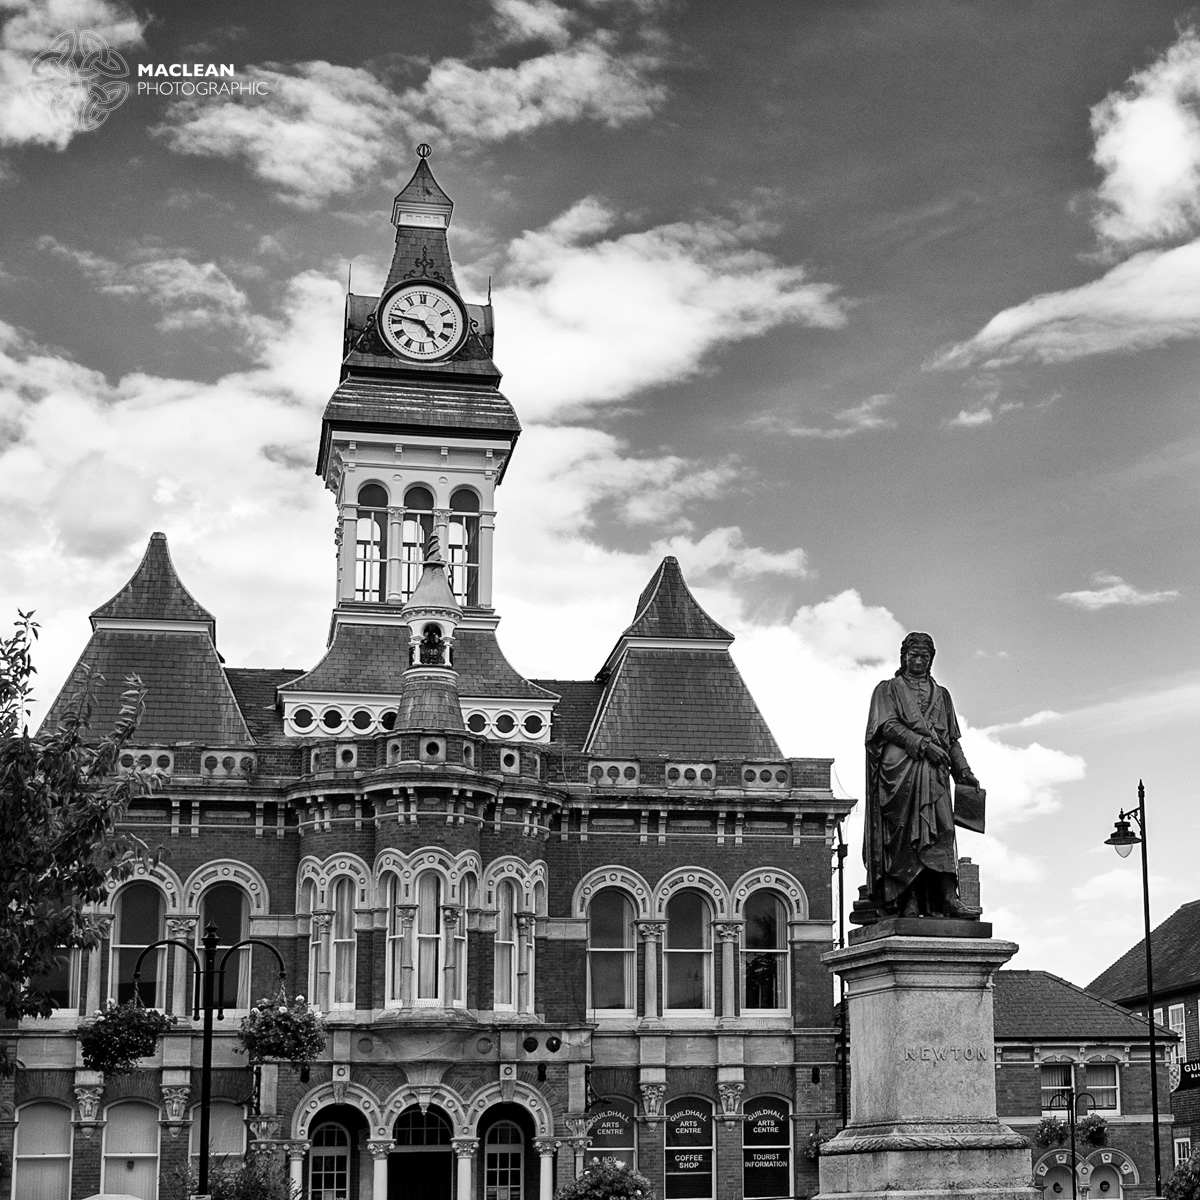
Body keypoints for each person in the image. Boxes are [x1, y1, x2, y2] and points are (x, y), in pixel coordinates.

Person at [863, 632, 980, 918]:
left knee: (942, 831)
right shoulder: (887, 689)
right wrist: (923, 745)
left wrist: (963, 769)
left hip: (935, 775)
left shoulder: (942, 695)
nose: (918, 661)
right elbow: (887, 726)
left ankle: (946, 898)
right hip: (901, 770)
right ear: (903, 657)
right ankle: (908, 898)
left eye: (924, 657)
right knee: (904, 836)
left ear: (931, 660)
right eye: (913, 655)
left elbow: (951, 741)